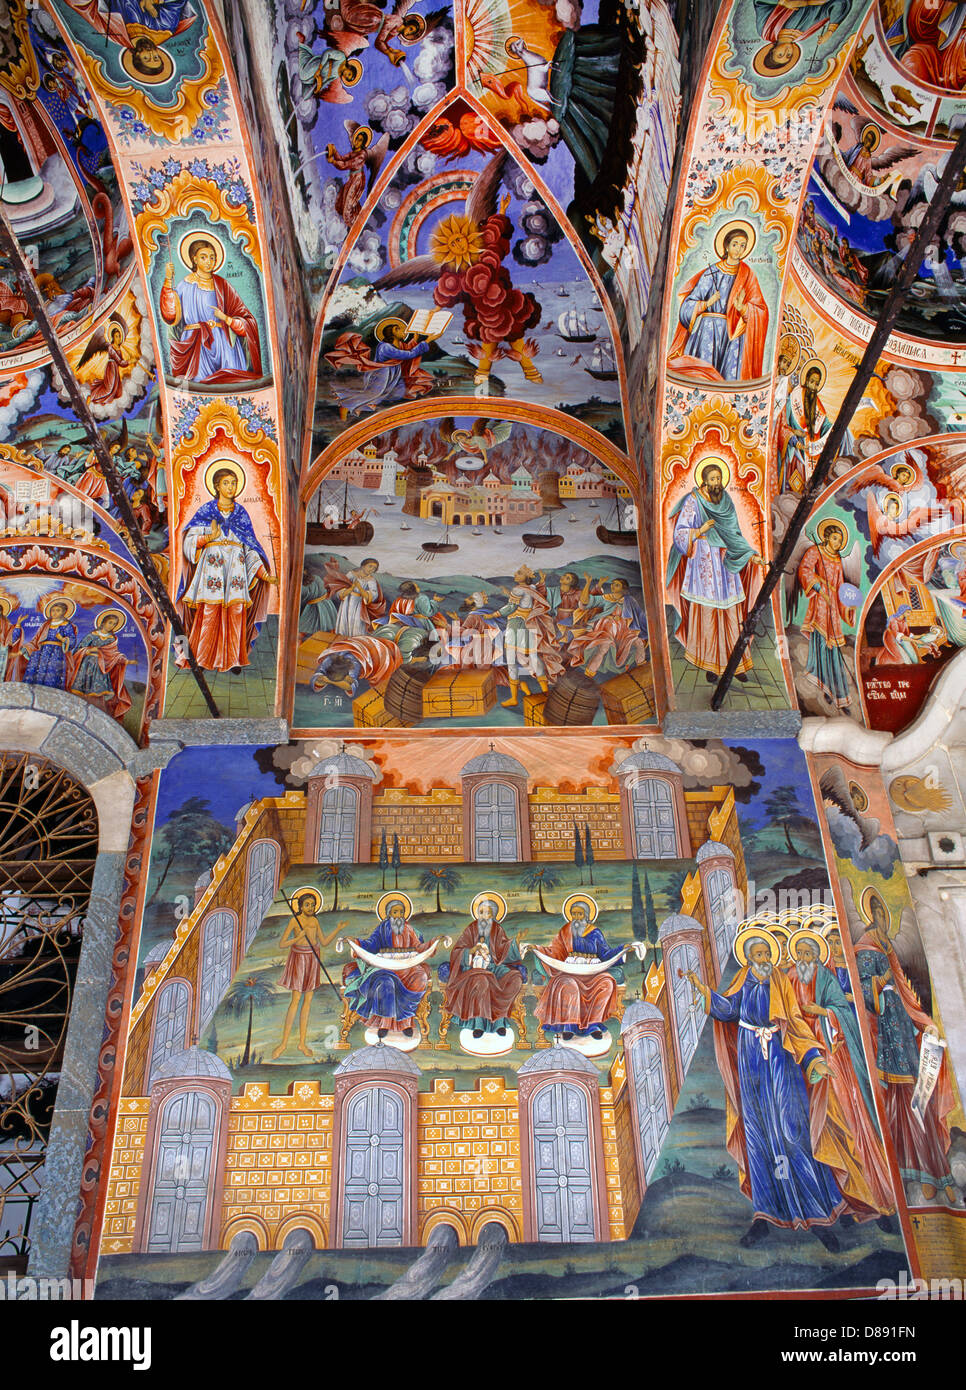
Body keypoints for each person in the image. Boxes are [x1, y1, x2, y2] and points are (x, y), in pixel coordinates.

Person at [686, 928, 877, 1250]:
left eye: (766, 955)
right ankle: (766, 1214)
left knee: (793, 1133)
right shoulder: (743, 981)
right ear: (748, 957)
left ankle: (819, 1211)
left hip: (780, 1060)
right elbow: (729, 1010)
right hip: (751, 1064)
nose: (762, 960)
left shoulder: (780, 982)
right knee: (758, 1137)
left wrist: (813, 1059)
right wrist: (704, 992)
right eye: (757, 955)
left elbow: (796, 1022)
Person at [854, 888, 957, 1203]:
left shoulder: (888, 948)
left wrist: (923, 1022)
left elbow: (904, 990)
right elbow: (863, 994)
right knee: (901, 1105)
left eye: (884, 912)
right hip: (887, 1037)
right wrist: (879, 985)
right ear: (872, 915)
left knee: (921, 1099)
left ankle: (941, 1174)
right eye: (879, 913)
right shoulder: (865, 948)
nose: (884, 918)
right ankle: (917, 1173)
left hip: (905, 1036)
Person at [786, 929, 896, 1222]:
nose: (804, 959)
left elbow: (845, 1012)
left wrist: (822, 1011)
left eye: (809, 954)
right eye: (800, 954)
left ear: (818, 957)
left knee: (847, 1119)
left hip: (835, 1058)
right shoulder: (791, 979)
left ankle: (869, 1192)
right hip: (806, 1065)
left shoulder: (825, 977)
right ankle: (842, 1198)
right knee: (823, 1128)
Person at [666, 460, 767, 682]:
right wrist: (700, 530)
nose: (717, 483)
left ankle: (737, 664)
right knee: (708, 615)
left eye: (719, 479)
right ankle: (710, 665)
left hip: (725, 564)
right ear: (704, 480)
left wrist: (751, 554)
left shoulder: (725, 501)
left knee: (731, 614)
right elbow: (680, 534)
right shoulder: (693, 501)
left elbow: (734, 533)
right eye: (713, 479)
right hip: (704, 563)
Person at [176, 465, 277, 673]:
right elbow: (189, 541)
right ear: (216, 486)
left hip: (236, 573)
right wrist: (208, 538)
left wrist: (264, 574)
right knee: (209, 614)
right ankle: (201, 658)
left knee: (236, 614)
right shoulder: (206, 512)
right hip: (212, 572)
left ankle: (233, 660)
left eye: (234, 483)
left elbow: (250, 549)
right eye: (226, 483)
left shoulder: (241, 514)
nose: (231, 487)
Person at [669, 224, 769, 383]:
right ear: (726, 246)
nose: (738, 249)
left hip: (732, 335)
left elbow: (761, 311)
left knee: (726, 383)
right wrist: (707, 303)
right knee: (704, 380)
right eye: (735, 244)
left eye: (742, 246)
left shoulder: (748, 275)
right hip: (708, 331)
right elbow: (687, 305)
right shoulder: (712, 272)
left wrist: (743, 308)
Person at [530, 895, 634, 1043]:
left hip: (592, 972)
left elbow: (605, 954)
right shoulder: (566, 931)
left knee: (607, 983)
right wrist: (538, 949)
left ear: (587, 915)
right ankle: (570, 1026)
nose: (576, 917)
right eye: (574, 914)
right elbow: (556, 952)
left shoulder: (595, 933)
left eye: (580, 914)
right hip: (569, 972)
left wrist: (621, 949)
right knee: (567, 986)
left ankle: (593, 1025)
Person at [160, 237, 263, 386]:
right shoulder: (184, 285)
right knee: (199, 387)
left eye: (212, 257)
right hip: (196, 344)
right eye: (203, 257)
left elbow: (246, 319)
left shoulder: (222, 285)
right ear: (194, 259)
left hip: (224, 344)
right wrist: (168, 280)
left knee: (233, 386)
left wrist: (226, 319)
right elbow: (170, 314)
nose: (209, 261)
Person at [342, 893, 430, 1040]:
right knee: (386, 984)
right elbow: (370, 944)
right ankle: (385, 1024)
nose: (399, 915)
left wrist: (433, 943)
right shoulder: (382, 928)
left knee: (420, 977)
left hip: (407, 967)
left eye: (401, 912)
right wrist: (356, 943)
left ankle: (406, 1023)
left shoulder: (409, 929)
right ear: (389, 913)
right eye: (395, 912)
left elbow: (418, 946)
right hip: (385, 967)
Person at [443, 894, 525, 1042]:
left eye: (488, 913)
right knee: (482, 982)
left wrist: (515, 943)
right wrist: (471, 951)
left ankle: (499, 1021)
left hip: (494, 967)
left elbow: (503, 950)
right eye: (481, 912)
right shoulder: (471, 929)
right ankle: (479, 1024)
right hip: (474, 968)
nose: (484, 916)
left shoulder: (497, 929)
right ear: (477, 913)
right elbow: (457, 951)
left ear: (493, 915)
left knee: (515, 979)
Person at [272, 889, 344, 1059]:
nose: (310, 907)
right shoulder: (295, 920)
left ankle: (302, 1043)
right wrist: (298, 938)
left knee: (308, 1001)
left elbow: (324, 942)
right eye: (307, 904)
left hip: (313, 959)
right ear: (300, 906)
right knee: (295, 1000)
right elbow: (283, 944)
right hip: (298, 959)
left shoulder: (315, 921)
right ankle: (283, 1044)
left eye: (313, 905)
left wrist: (337, 929)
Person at [796, 520, 855, 710]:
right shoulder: (815, 551)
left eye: (840, 540)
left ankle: (836, 691)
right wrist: (820, 587)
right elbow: (804, 569)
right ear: (827, 537)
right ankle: (829, 686)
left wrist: (846, 605)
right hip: (820, 602)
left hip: (833, 608)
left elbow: (839, 585)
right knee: (823, 644)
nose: (837, 543)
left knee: (833, 648)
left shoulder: (837, 558)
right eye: (835, 538)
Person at [325, 317, 434, 420]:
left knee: (398, 394)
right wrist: (427, 341)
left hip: (392, 376)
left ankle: (362, 405)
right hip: (382, 375)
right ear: (394, 331)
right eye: (402, 330)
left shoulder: (397, 345)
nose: (404, 333)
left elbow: (407, 349)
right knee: (376, 394)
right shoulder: (386, 347)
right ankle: (348, 405)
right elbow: (409, 354)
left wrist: (415, 339)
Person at [777, 361, 850, 495]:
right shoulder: (793, 398)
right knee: (792, 490)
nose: (813, 387)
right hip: (797, 454)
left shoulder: (817, 405)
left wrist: (837, 427)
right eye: (812, 382)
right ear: (806, 380)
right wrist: (795, 439)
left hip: (813, 453)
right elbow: (781, 425)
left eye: (817, 384)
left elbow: (825, 426)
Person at [497, 564, 563, 708]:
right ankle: (546, 693)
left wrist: (493, 614)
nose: (515, 574)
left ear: (526, 577)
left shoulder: (518, 589)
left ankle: (514, 698)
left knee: (511, 662)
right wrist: (542, 583)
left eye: (519, 573)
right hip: (528, 626)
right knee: (534, 658)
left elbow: (511, 608)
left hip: (515, 626)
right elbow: (532, 595)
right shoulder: (531, 588)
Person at [566, 575, 649, 678]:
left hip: (624, 631)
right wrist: (588, 583)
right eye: (613, 584)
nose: (613, 586)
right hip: (606, 628)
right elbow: (585, 601)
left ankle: (643, 671)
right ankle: (587, 677)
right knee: (603, 648)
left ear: (623, 589)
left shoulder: (629, 600)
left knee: (639, 643)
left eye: (617, 585)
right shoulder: (606, 598)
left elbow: (639, 615)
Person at [69, 609, 132, 719]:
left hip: (100, 669)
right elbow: (79, 649)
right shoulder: (92, 635)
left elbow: (112, 654)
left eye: (114, 624)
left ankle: (98, 717)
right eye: (110, 622)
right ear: (103, 622)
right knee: (81, 693)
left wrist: (122, 659)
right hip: (86, 667)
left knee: (98, 695)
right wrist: (90, 650)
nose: (111, 626)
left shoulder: (112, 639)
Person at [23, 597, 76, 689]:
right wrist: (26, 647)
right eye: (53, 610)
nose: (54, 613)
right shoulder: (46, 624)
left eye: (58, 610)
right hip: (41, 651)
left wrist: (63, 639)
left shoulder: (66, 625)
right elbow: (37, 638)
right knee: (35, 671)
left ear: (64, 612)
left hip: (56, 651)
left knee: (52, 672)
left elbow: (72, 639)